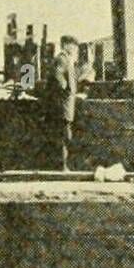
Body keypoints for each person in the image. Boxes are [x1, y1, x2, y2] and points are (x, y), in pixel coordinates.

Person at [45, 36, 83, 171]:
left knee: (65, 134)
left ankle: (64, 165)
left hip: (66, 103)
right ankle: (63, 166)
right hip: (63, 104)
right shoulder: (62, 58)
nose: (75, 49)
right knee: (64, 135)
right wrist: (66, 89)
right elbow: (58, 74)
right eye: (74, 45)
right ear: (66, 45)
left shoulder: (68, 59)